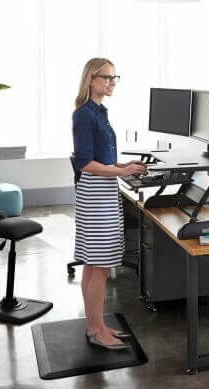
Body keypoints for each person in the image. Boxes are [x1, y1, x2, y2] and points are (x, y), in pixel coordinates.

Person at [72, 58, 147, 350]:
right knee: (99, 266)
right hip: (95, 192)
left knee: (94, 265)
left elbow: (100, 157)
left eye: (115, 77)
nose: (112, 82)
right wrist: (122, 172)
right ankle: (97, 330)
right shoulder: (84, 115)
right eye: (106, 77)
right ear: (91, 79)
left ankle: (97, 326)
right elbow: (85, 163)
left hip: (103, 187)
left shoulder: (100, 112)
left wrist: (122, 164)